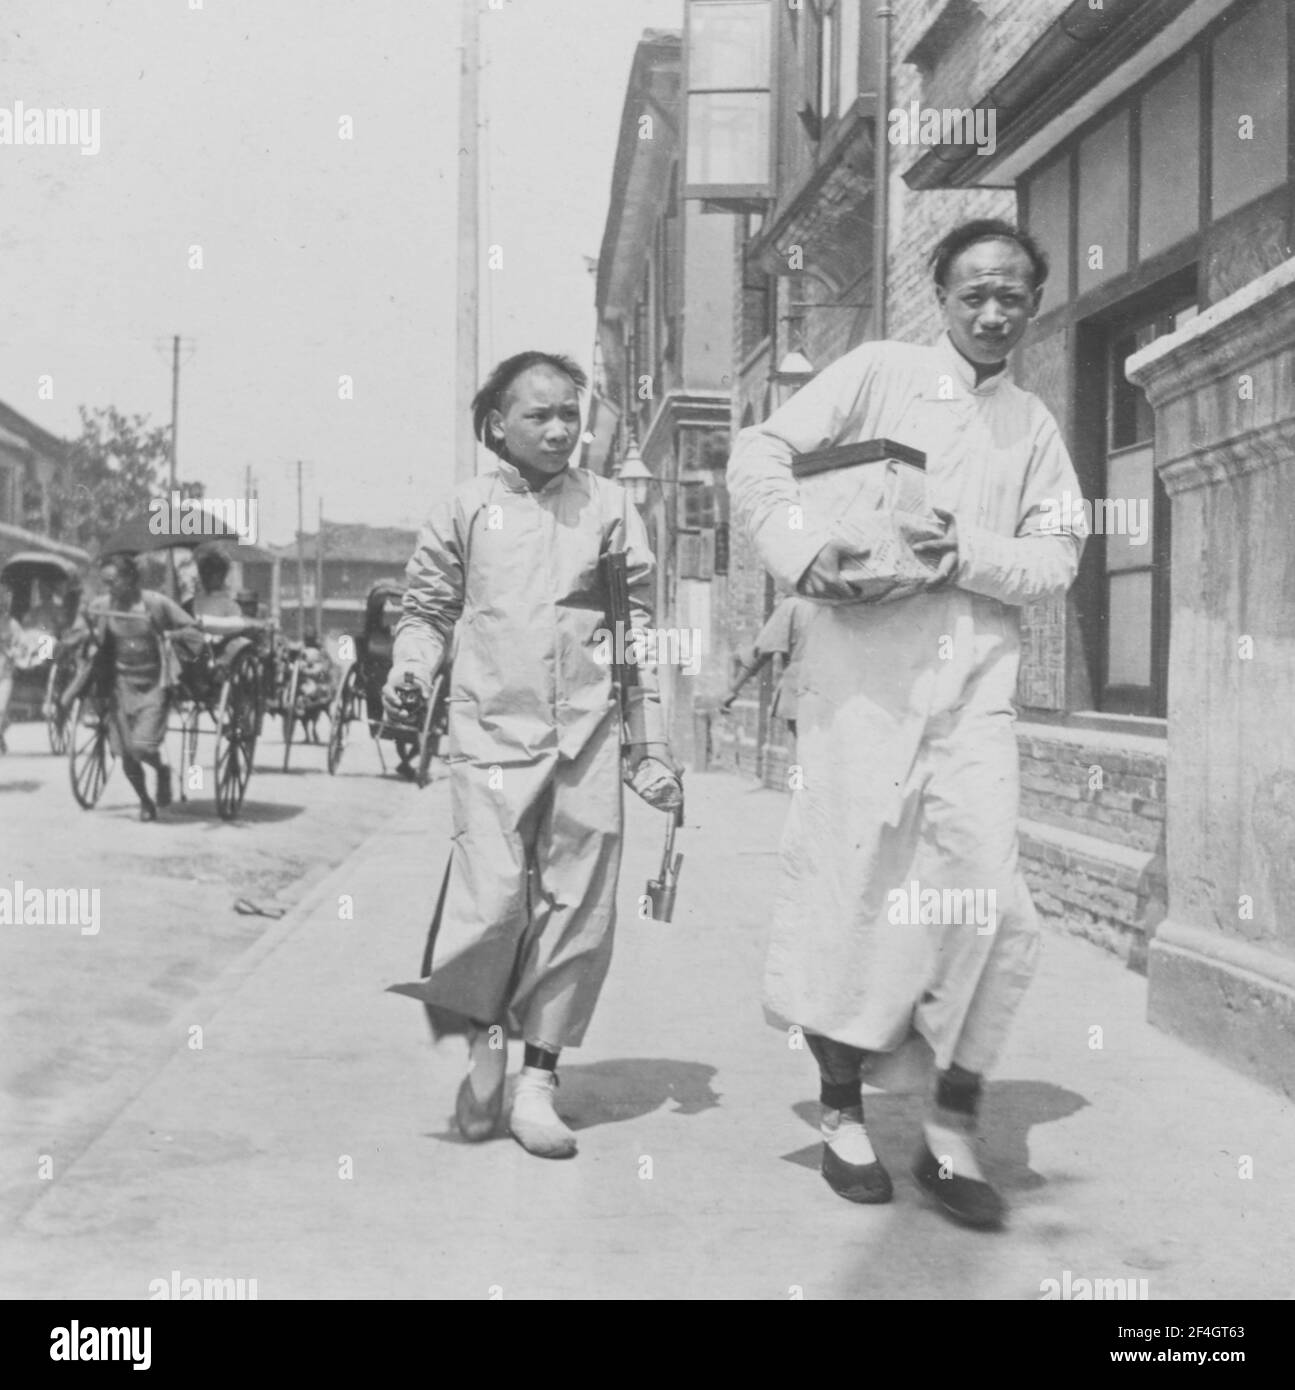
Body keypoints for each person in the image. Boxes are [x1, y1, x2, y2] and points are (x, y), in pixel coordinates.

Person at [727, 220, 1088, 1228]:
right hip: (858, 688)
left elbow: (1056, 561)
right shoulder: (877, 371)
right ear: (938, 293)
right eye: (972, 289)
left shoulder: (1031, 427)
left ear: (1031, 303)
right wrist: (803, 555)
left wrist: (959, 549)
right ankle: (841, 1112)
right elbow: (757, 456)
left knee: (991, 904)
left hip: (972, 693)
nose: (991, 308)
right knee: (854, 890)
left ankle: (949, 1125)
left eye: (1011, 292)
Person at [385, 350, 682, 1159]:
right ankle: (485, 1053)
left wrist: (648, 747)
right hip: (488, 737)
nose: (558, 429)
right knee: (491, 905)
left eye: (568, 414)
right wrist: (412, 670)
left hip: (588, 737)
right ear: (496, 426)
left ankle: (539, 1083)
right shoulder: (465, 511)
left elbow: (636, 633)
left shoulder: (611, 508)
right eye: (538, 415)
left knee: (577, 908)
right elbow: (425, 609)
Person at [71, 553, 203, 821]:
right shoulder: (102, 605)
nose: (109, 588)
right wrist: (86, 633)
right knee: (126, 754)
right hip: (120, 686)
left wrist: (170, 635)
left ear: (131, 579)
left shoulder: (156, 603)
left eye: (113, 581)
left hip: (155, 685)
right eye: (105, 583)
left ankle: (162, 771)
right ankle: (145, 800)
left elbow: (194, 632)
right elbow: (78, 635)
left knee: (141, 747)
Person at [721, 593, 815, 739]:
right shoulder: (837, 605)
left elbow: (761, 652)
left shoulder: (794, 605)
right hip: (833, 694)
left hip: (800, 691)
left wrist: (733, 690)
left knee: (801, 752)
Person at [0, 590, 22, 755]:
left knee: (1, 709)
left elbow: (21, 642)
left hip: (6, 673)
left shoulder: (12, 624)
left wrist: (14, 651)